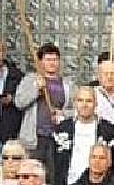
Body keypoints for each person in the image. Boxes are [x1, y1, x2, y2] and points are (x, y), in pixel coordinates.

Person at [16, 42, 75, 176]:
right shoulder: (30, 79)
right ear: (41, 62)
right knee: (33, 174)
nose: (52, 63)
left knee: (56, 174)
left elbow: (77, 110)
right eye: (48, 59)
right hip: (35, 138)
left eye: (55, 59)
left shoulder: (68, 84)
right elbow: (19, 102)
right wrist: (36, 88)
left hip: (58, 137)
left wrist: (63, 114)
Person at [50, 87, 114, 185]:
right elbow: (53, 161)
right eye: (80, 100)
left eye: (89, 101)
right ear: (74, 103)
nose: (84, 105)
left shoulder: (108, 130)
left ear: (96, 103)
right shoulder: (62, 129)